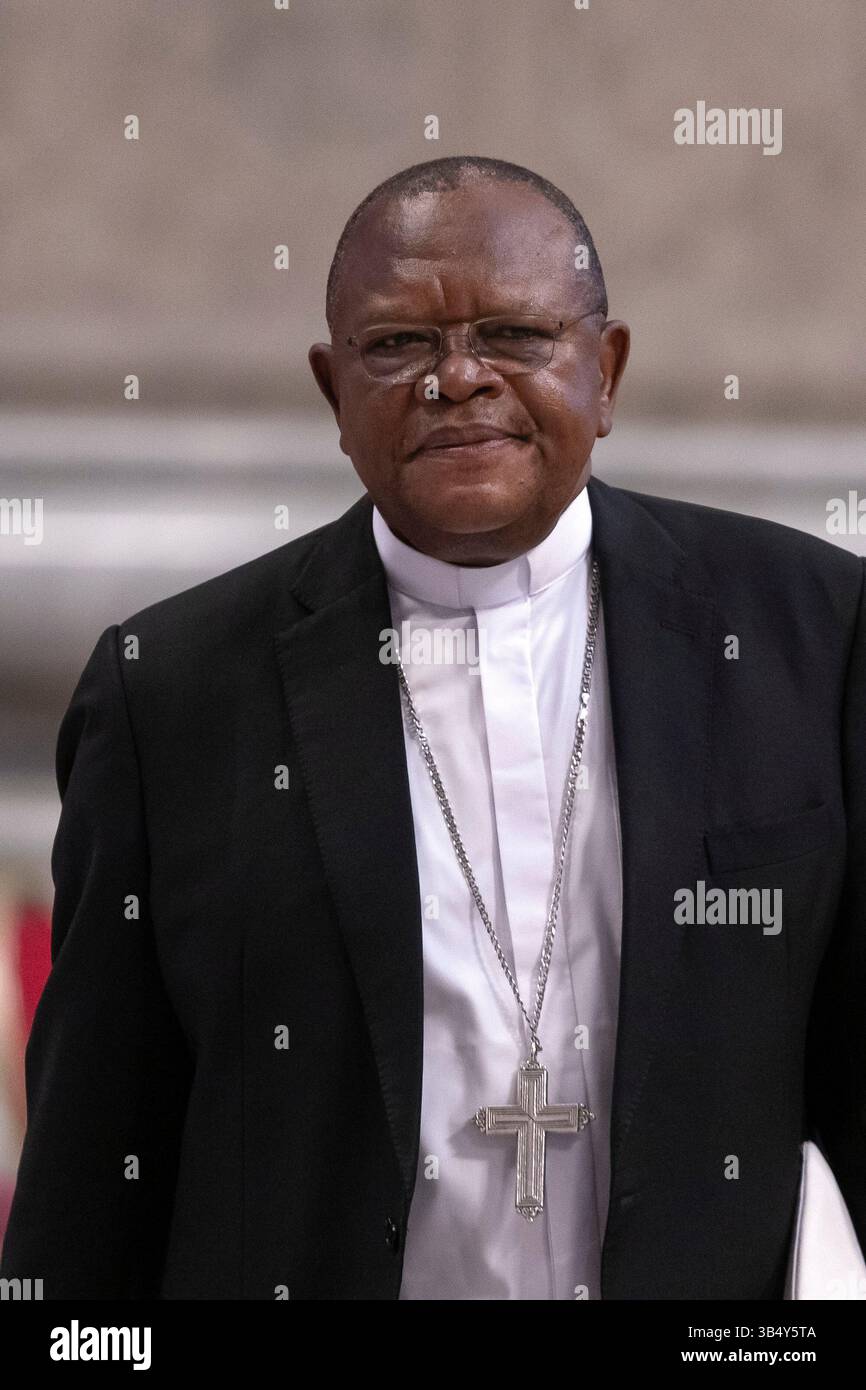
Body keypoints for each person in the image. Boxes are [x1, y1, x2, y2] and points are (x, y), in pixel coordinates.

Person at [2, 155, 864, 1300]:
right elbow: (95, 1168)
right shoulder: (174, 694)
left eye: (512, 334)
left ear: (602, 372)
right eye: (396, 346)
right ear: (331, 391)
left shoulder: (809, 635)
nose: (457, 379)